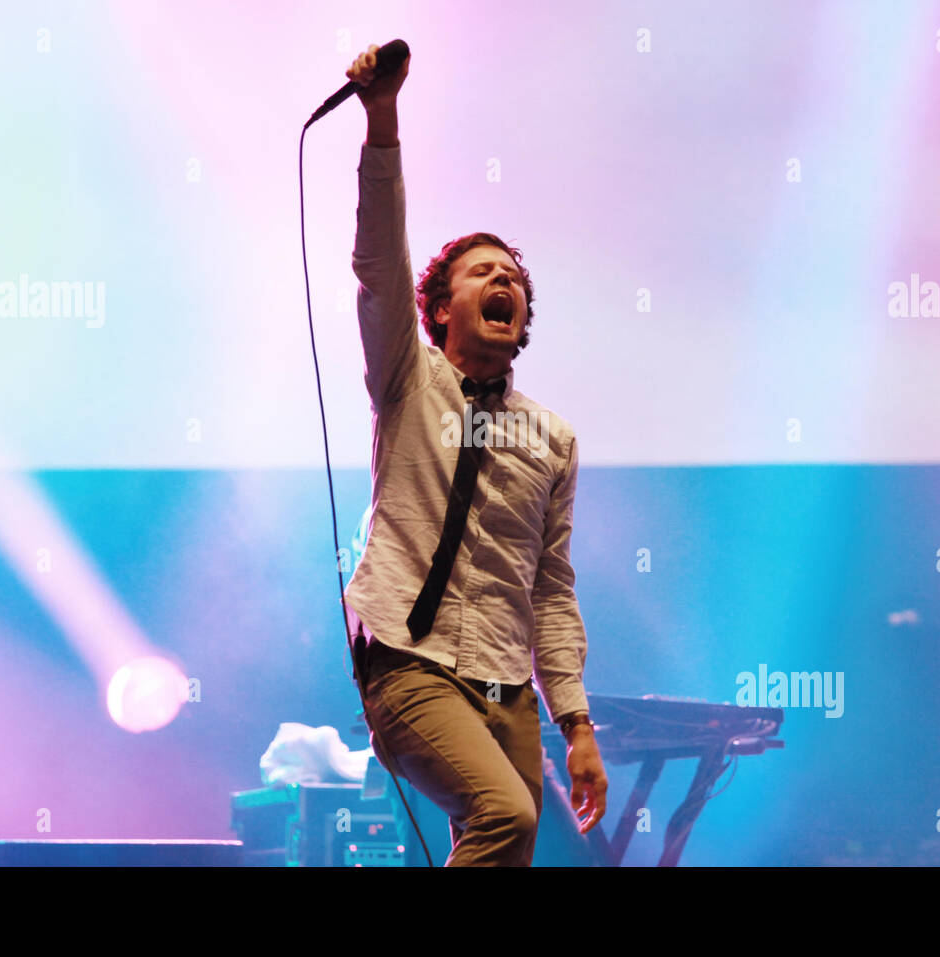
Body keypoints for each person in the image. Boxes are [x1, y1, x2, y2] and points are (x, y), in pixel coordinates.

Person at [341, 43, 606, 866]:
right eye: (481, 272)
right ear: (439, 308)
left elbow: (551, 591)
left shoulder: (552, 437)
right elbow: (380, 261)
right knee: (508, 817)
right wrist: (382, 120)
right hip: (409, 661)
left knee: (511, 849)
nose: (503, 282)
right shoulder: (407, 378)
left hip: (507, 684)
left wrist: (577, 723)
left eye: (513, 279)